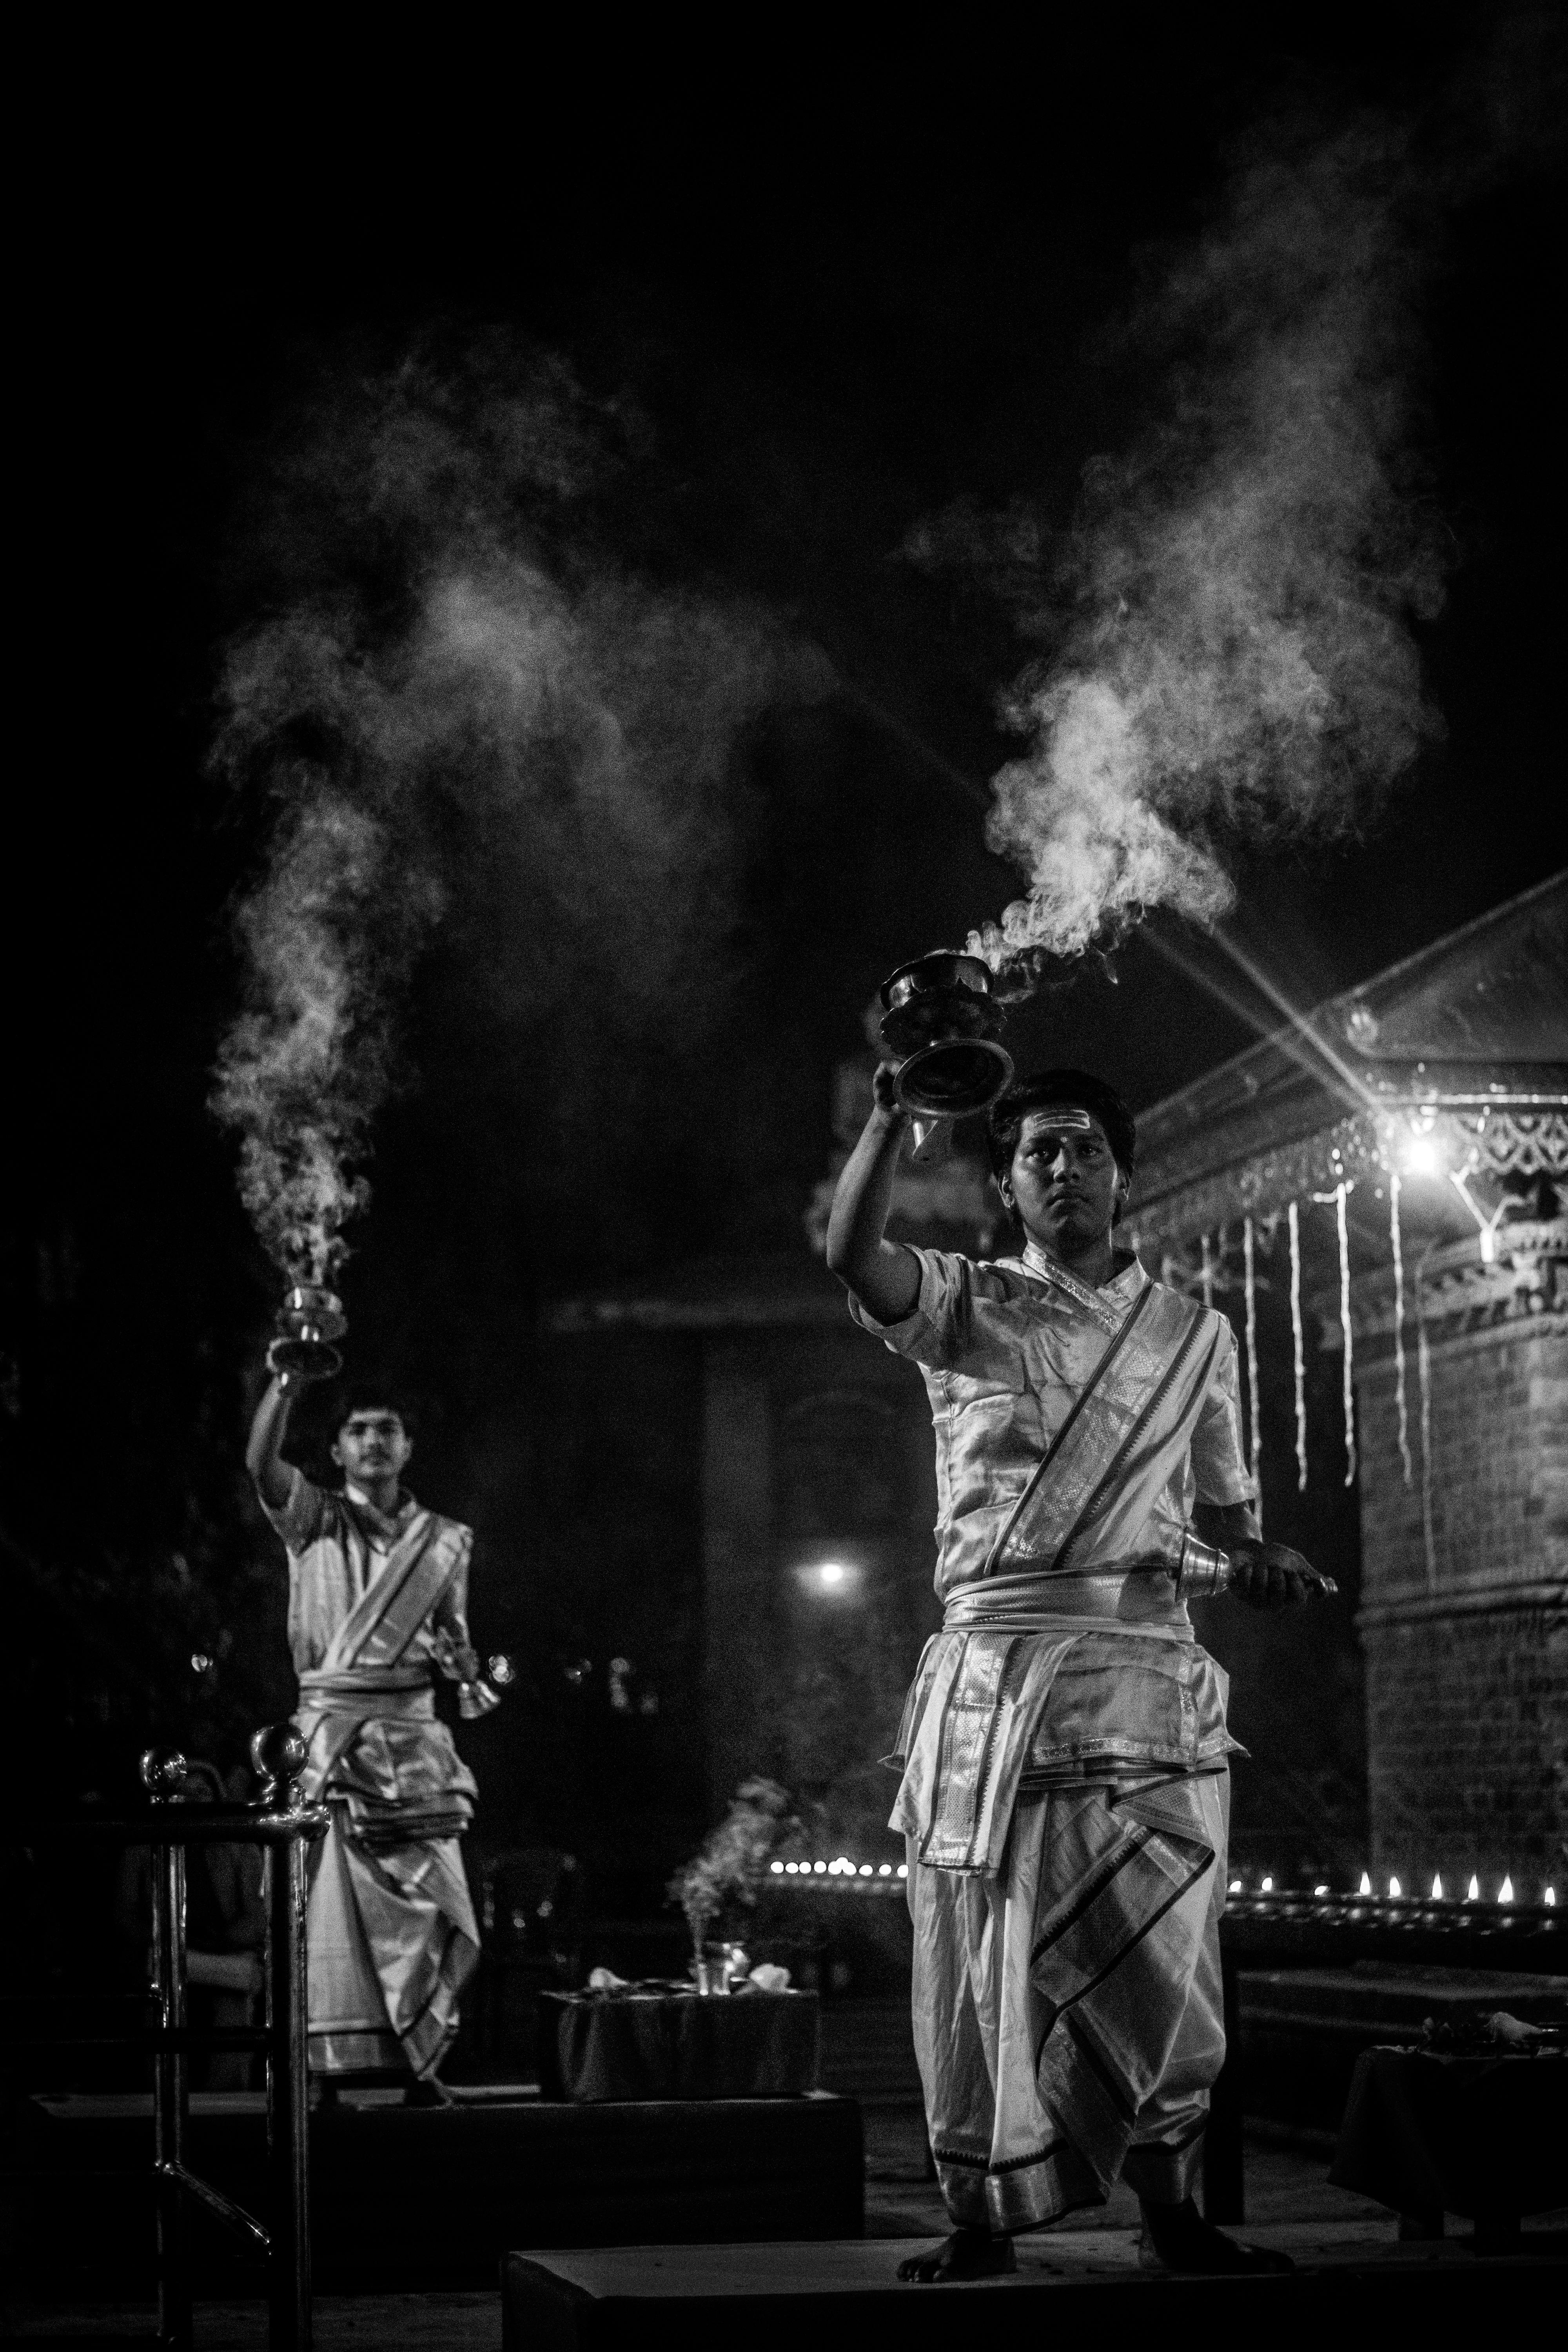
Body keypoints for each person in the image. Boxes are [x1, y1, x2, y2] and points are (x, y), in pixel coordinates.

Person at [826, 1063, 1329, 2279]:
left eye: (1087, 1149)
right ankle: (981, 2224)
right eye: (1040, 1153)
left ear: (1125, 1174)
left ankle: (1171, 2213)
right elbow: (853, 1253)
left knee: (1166, 1959)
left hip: (1147, 1685)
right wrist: (893, 1117)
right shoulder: (966, 1304)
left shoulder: (1196, 1336)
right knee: (985, 1959)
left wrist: (1261, 1565)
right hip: (994, 1688)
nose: (1065, 1169)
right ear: (1004, 1184)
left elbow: (1229, 1524)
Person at [247, 1367, 499, 2088]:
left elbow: (454, 1641)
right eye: (358, 1431)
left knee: (440, 1904)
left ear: (409, 1447)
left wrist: (463, 1662)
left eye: (387, 1429)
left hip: (419, 1748)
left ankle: (422, 2065)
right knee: (335, 1919)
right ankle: (326, 2075)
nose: (373, 1442)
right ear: (337, 1451)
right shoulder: (313, 1518)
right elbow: (260, 1463)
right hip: (332, 1748)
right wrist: (287, 1380)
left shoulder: (446, 1541)